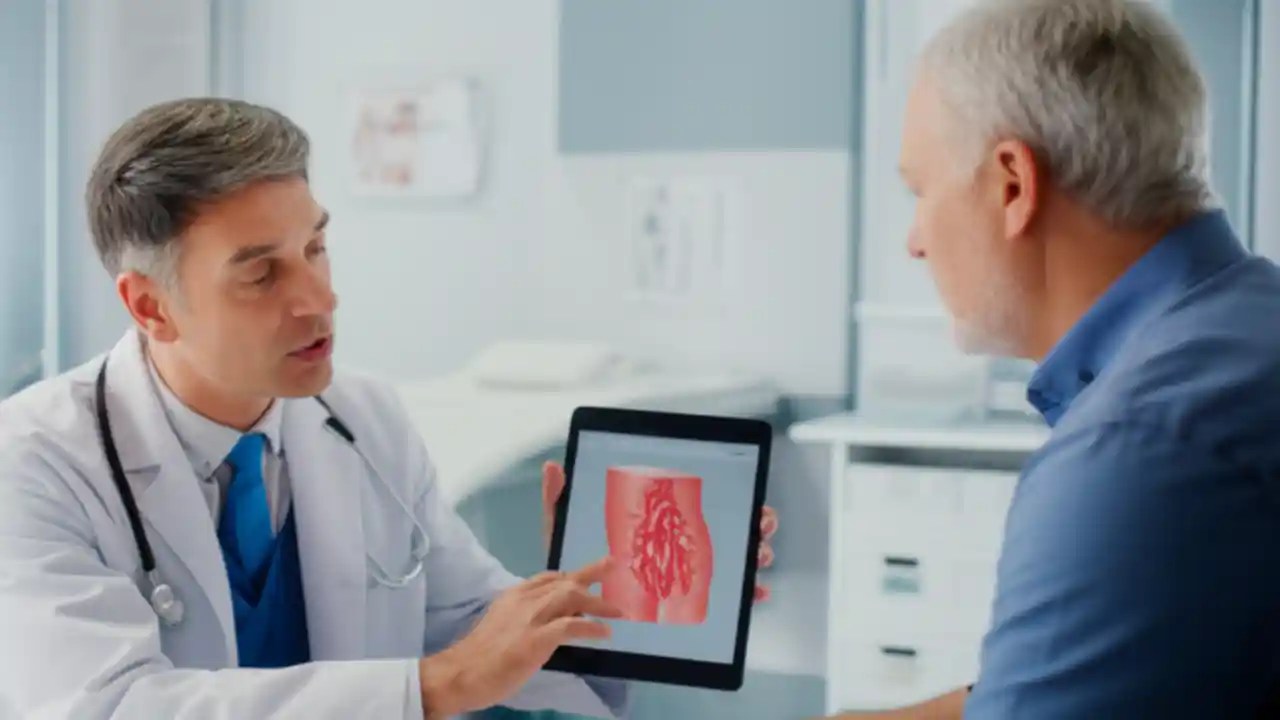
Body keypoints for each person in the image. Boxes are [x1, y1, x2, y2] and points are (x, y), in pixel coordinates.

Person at [0, 97, 779, 719]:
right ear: (150, 305)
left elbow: (471, 624)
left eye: (315, 249)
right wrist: (431, 689)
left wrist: (610, 595)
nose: (320, 299)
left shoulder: (362, 418)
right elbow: (107, 705)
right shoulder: (36, 462)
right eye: (261, 275)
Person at [825, 0, 1280, 717]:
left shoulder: (1137, 446)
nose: (914, 240)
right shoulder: (1248, 327)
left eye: (922, 192)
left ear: (1012, 184)